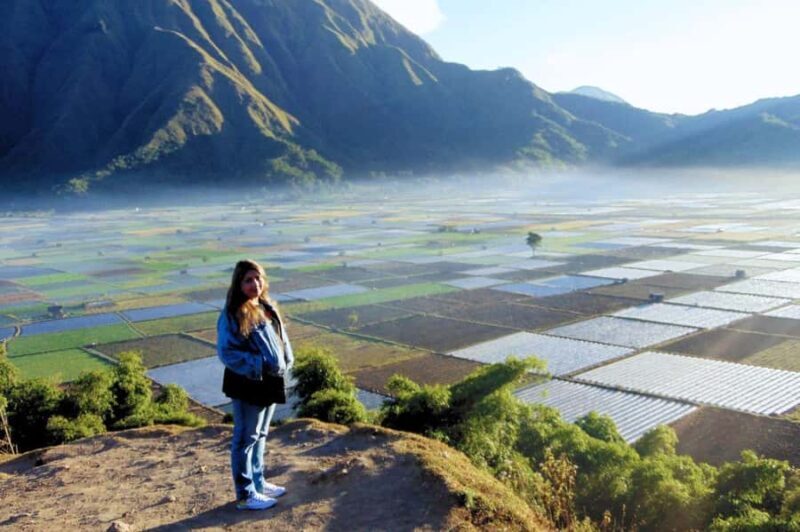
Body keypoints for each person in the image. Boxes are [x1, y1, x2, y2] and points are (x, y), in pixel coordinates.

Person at [217, 259, 294, 511]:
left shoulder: (264, 306)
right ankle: (246, 493)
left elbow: (280, 339)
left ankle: (259, 482)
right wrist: (259, 363)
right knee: (245, 438)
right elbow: (227, 353)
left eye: (258, 278)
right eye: (248, 280)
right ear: (238, 283)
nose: (255, 284)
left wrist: (285, 360)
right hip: (247, 382)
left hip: (268, 381)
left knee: (260, 435)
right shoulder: (232, 313)